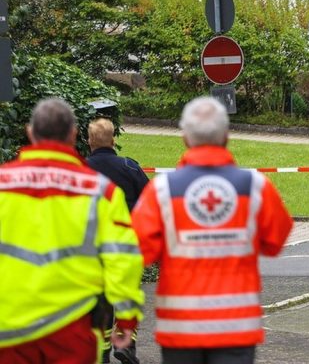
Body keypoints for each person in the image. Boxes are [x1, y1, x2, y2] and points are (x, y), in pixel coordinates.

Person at [131, 97, 293, 364]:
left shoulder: (161, 190)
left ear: (185, 138)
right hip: (236, 327)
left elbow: (140, 251)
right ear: (227, 137)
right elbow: (275, 242)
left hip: (181, 329)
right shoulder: (254, 186)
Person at [0, 98, 144, 363]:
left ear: (30, 132)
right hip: (72, 333)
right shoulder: (101, 191)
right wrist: (126, 322)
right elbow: (124, 263)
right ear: (74, 134)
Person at [86, 118, 150, 364]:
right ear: (113, 140)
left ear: (89, 142)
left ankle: (101, 353)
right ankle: (125, 344)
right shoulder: (130, 167)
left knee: (101, 302)